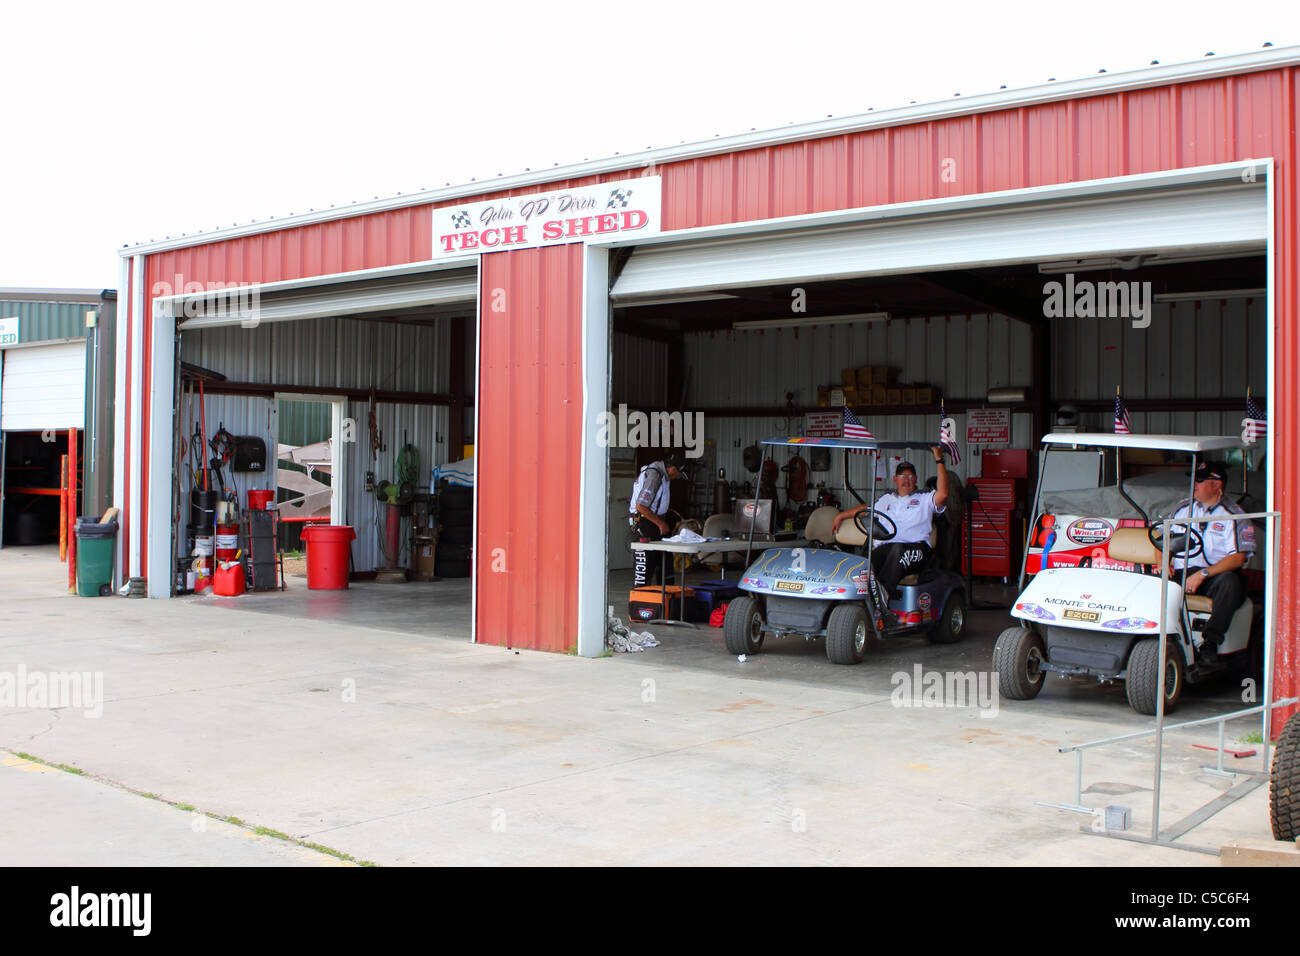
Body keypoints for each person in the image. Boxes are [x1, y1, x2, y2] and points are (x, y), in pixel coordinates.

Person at [832, 448, 949, 616]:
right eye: (902, 476)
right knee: (866, 561)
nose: (906, 480)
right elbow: (866, 509)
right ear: (895, 479)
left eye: (910, 476)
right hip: (889, 548)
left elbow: (943, 494)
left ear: (916, 479)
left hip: (918, 550)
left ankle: (882, 599)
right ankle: (854, 601)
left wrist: (939, 459)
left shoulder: (925, 498)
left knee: (898, 550)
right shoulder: (886, 499)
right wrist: (841, 515)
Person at [1161, 461, 1254, 664]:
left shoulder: (1234, 515)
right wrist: (1162, 561)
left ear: (1217, 484)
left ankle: (1210, 642)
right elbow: (1160, 538)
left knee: (1230, 582)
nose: (1194, 484)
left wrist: (1203, 574)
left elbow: (1238, 557)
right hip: (1181, 573)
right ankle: (1153, 636)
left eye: (1200, 480)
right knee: (1150, 581)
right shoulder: (1182, 509)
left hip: (1215, 577)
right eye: (1194, 480)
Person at [629, 453, 689, 587]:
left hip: (653, 522)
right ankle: (641, 597)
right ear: (673, 468)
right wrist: (660, 523)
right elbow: (641, 506)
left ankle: (666, 595)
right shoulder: (655, 475)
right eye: (679, 474)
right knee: (645, 566)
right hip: (645, 523)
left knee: (665, 562)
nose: (677, 477)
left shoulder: (663, 475)